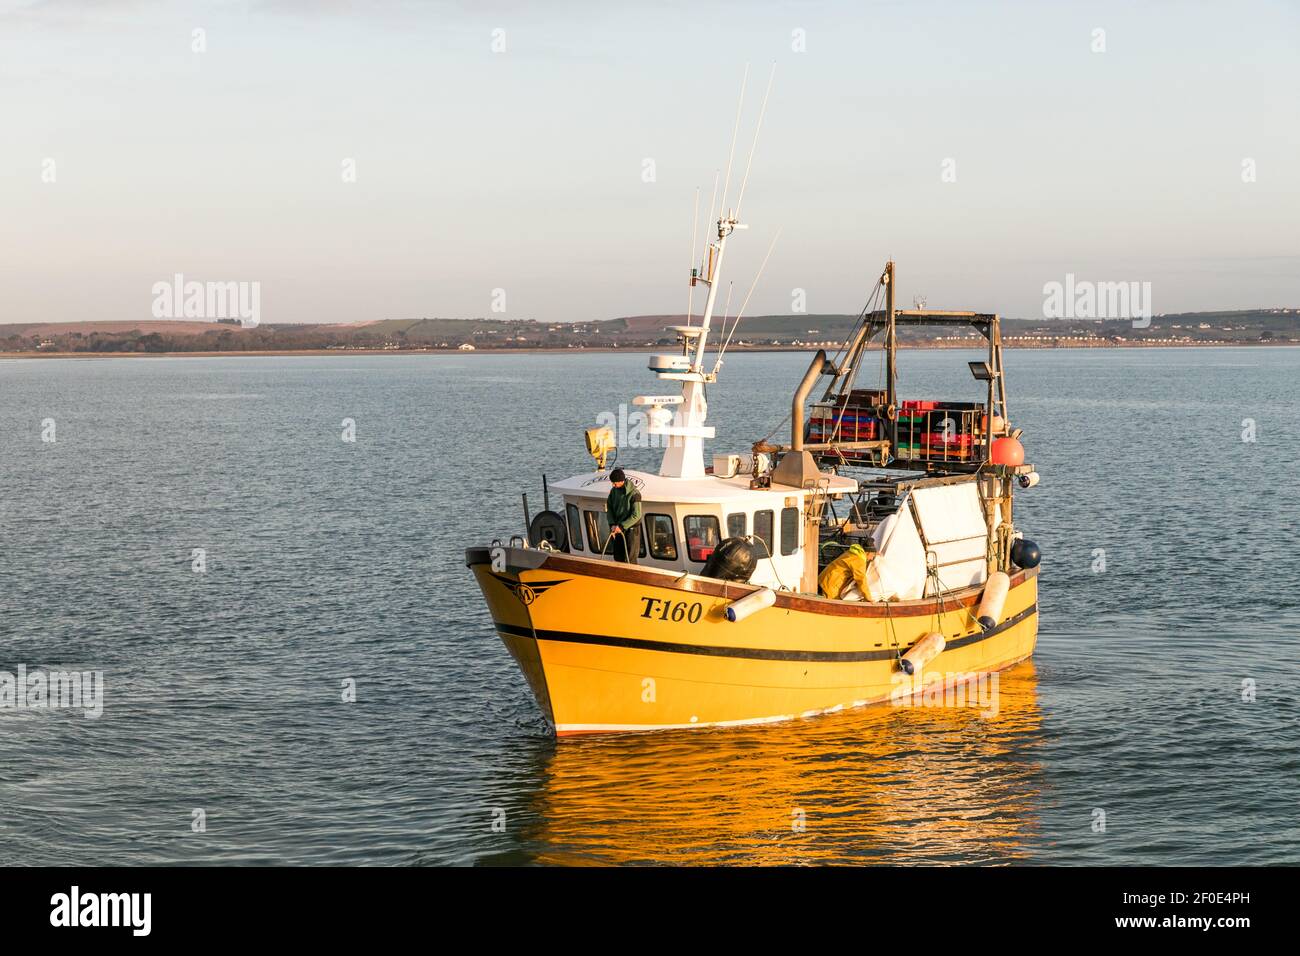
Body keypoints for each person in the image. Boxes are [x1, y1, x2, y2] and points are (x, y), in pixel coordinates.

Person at [605, 468, 642, 564]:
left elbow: (636, 515)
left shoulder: (635, 494)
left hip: (631, 530)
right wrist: (612, 524)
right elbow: (609, 509)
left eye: (615, 482)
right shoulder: (613, 492)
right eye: (612, 483)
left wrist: (622, 526)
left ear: (621, 481)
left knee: (630, 558)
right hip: (617, 528)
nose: (613, 485)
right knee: (618, 556)